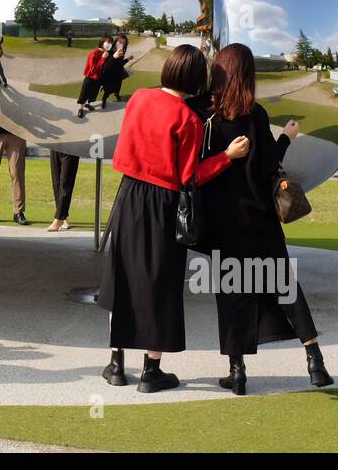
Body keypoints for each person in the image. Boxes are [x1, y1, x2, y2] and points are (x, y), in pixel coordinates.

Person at [98, 44, 249, 393]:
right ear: (197, 80)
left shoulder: (138, 99)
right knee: (160, 284)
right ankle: (152, 371)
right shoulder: (189, 120)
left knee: (121, 277)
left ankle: (116, 364)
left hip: (129, 193)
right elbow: (190, 175)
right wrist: (227, 156)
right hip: (165, 202)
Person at [198, 43, 333, 395]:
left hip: (226, 226)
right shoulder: (256, 114)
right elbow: (270, 161)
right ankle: (314, 359)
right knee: (287, 288)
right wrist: (286, 137)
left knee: (232, 296)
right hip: (263, 222)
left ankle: (237, 371)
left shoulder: (209, 119)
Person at [76, 36, 112, 118]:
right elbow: (93, 69)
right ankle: (81, 108)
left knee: (93, 93)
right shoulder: (94, 53)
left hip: (99, 78)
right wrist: (103, 58)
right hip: (90, 77)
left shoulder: (106, 53)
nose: (109, 44)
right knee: (85, 93)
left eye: (110, 42)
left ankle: (88, 104)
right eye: (108, 42)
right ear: (102, 42)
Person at [99, 33, 135, 108]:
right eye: (120, 41)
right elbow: (106, 66)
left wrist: (128, 59)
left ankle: (117, 95)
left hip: (118, 73)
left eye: (123, 43)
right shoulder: (109, 50)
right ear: (116, 41)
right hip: (110, 74)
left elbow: (120, 64)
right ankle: (104, 99)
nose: (121, 44)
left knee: (118, 86)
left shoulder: (121, 51)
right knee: (108, 89)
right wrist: (114, 57)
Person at [47, 150, 78, 232]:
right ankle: (64, 217)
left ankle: (58, 219)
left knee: (65, 183)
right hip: (55, 145)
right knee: (56, 183)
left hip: (71, 146)